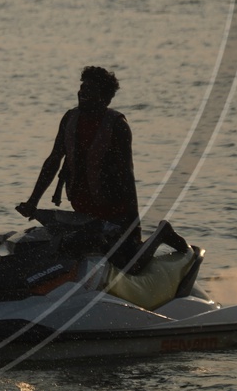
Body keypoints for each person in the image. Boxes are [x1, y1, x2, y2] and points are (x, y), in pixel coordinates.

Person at [16, 66, 162, 264]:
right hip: (83, 212)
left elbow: (127, 178)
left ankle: (162, 234)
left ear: (104, 98)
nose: (82, 93)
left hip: (114, 215)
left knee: (129, 263)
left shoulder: (117, 126)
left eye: (90, 90)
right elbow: (53, 161)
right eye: (82, 88)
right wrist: (33, 201)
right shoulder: (70, 119)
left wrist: (133, 226)